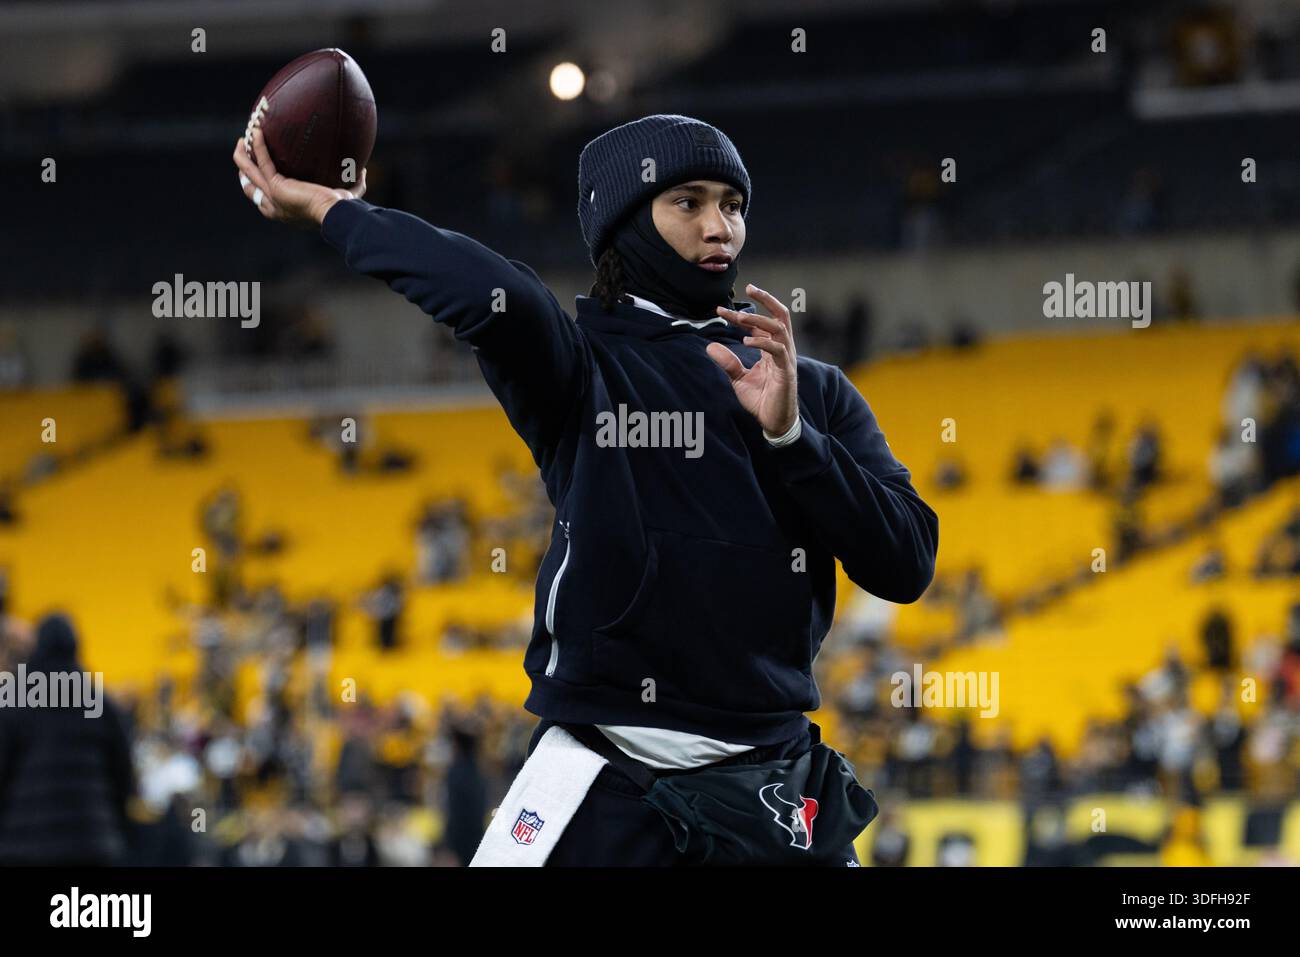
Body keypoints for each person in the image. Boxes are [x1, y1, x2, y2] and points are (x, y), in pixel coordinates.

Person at [233, 113, 937, 866]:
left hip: (774, 781)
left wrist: (795, 439)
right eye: (688, 202)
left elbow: (905, 562)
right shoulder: (582, 365)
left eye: (732, 204)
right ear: (625, 221)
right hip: (605, 774)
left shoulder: (813, 390)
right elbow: (488, 288)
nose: (719, 226)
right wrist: (335, 210)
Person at [0, 614, 136, 865]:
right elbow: (124, 773)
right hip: (91, 843)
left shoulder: (13, 701)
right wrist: (110, 823)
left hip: (26, 846)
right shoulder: (99, 703)